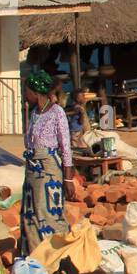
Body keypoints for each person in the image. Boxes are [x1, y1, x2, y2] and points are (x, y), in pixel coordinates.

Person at [21, 72, 79, 256]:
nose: (25, 94)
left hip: (49, 170)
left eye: (27, 90)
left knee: (48, 214)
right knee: (30, 213)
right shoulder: (34, 113)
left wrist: (68, 180)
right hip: (32, 170)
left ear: (36, 92)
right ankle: (33, 254)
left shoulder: (57, 112)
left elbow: (66, 147)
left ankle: (58, 256)